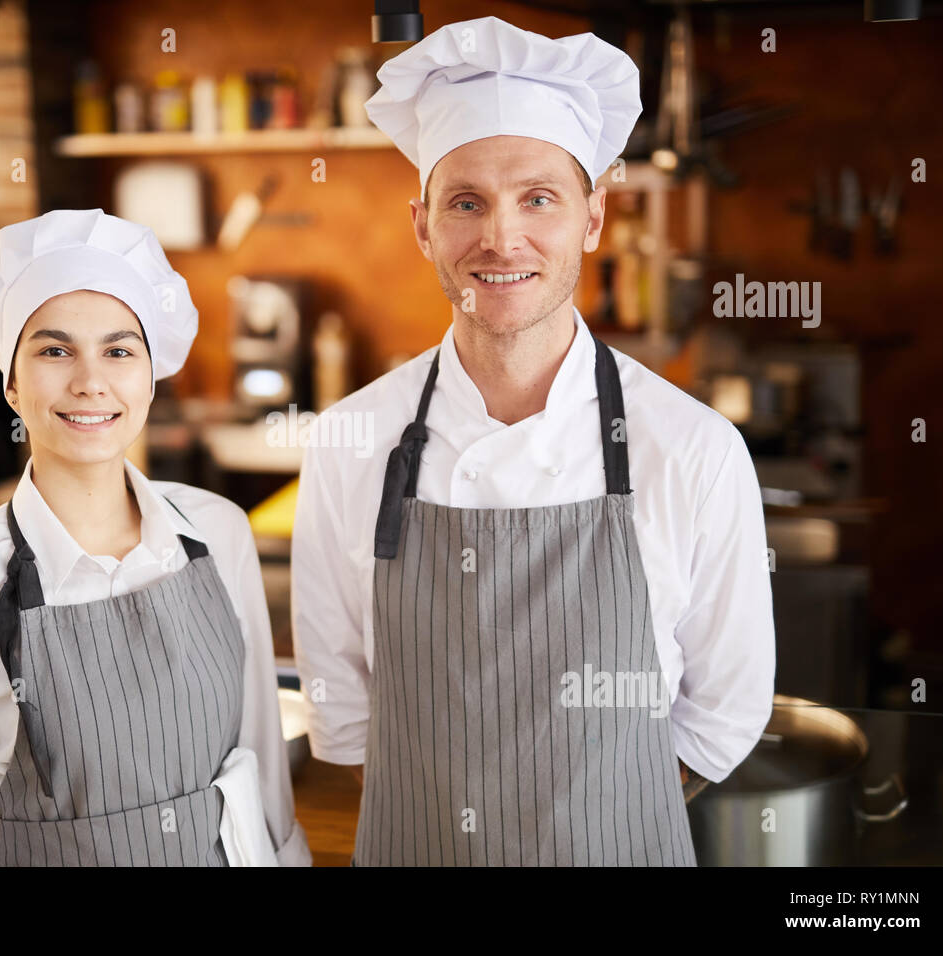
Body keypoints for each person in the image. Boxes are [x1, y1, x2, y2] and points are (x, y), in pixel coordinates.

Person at [291, 16, 775, 866]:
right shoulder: (349, 443)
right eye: (466, 202)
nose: (502, 239)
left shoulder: (694, 449)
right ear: (423, 226)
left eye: (538, 199)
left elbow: (724, 713)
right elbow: (341, 707)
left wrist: (589, 820)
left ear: (592, 219)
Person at [0, 209, 310, 866]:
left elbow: (261, 779)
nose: (90, 381)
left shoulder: (217, 533)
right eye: (55, 350)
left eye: (119, 350)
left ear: (149, 375)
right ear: (13, 383)